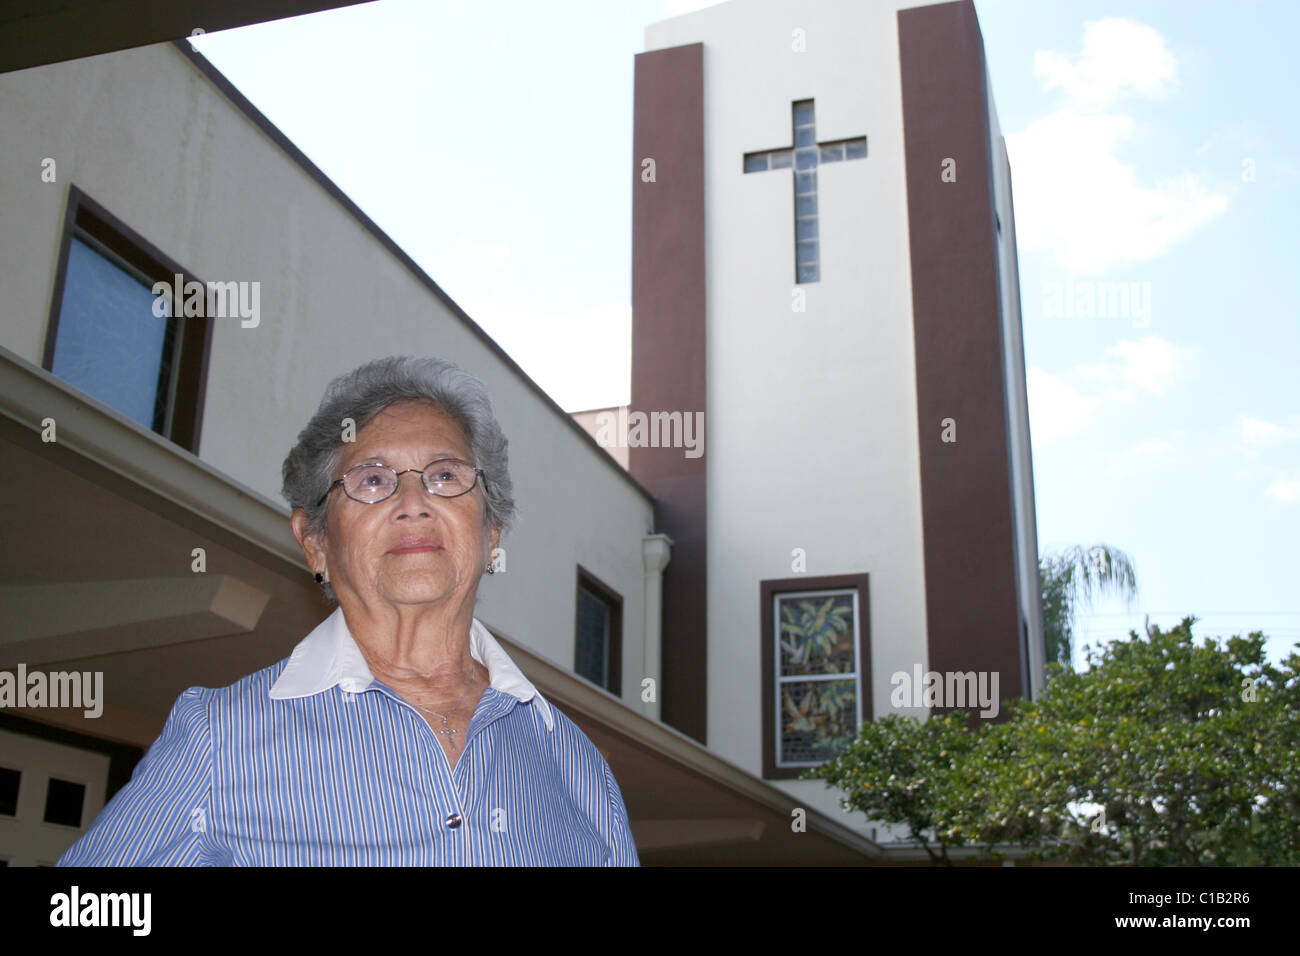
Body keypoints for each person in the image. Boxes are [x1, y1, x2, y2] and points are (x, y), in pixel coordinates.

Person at [57, 355, 639, 866]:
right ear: (316, 542)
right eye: (372, 480)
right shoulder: (221, 738)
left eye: (444, 476)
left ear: (491, 533)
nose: (413, 503)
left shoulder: (575, 765)